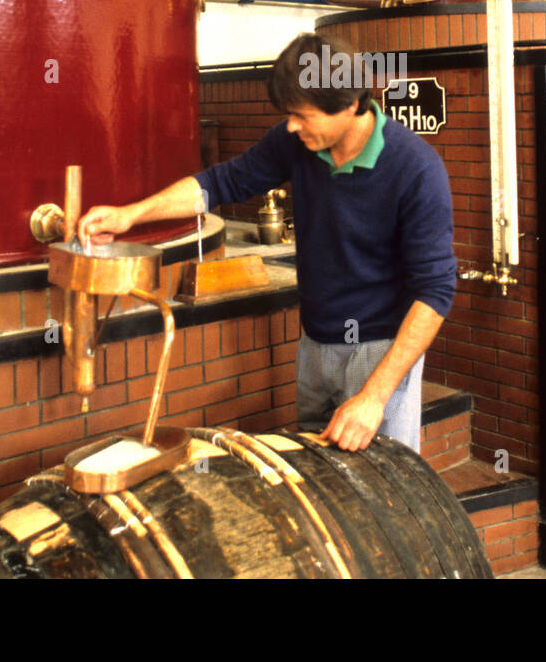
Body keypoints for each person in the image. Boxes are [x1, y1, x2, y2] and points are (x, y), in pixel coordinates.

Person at [78, 32, 456, 452]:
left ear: (350, 105)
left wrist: (373, 397)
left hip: (380, 352)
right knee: (317, 480)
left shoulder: (417, 169)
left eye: (301, 115)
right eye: (288, 115)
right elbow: (220, 182)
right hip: (315, 345)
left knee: (388, 492)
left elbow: (435, 291)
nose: (291, 125)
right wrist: (130, 215)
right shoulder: (295, 142)